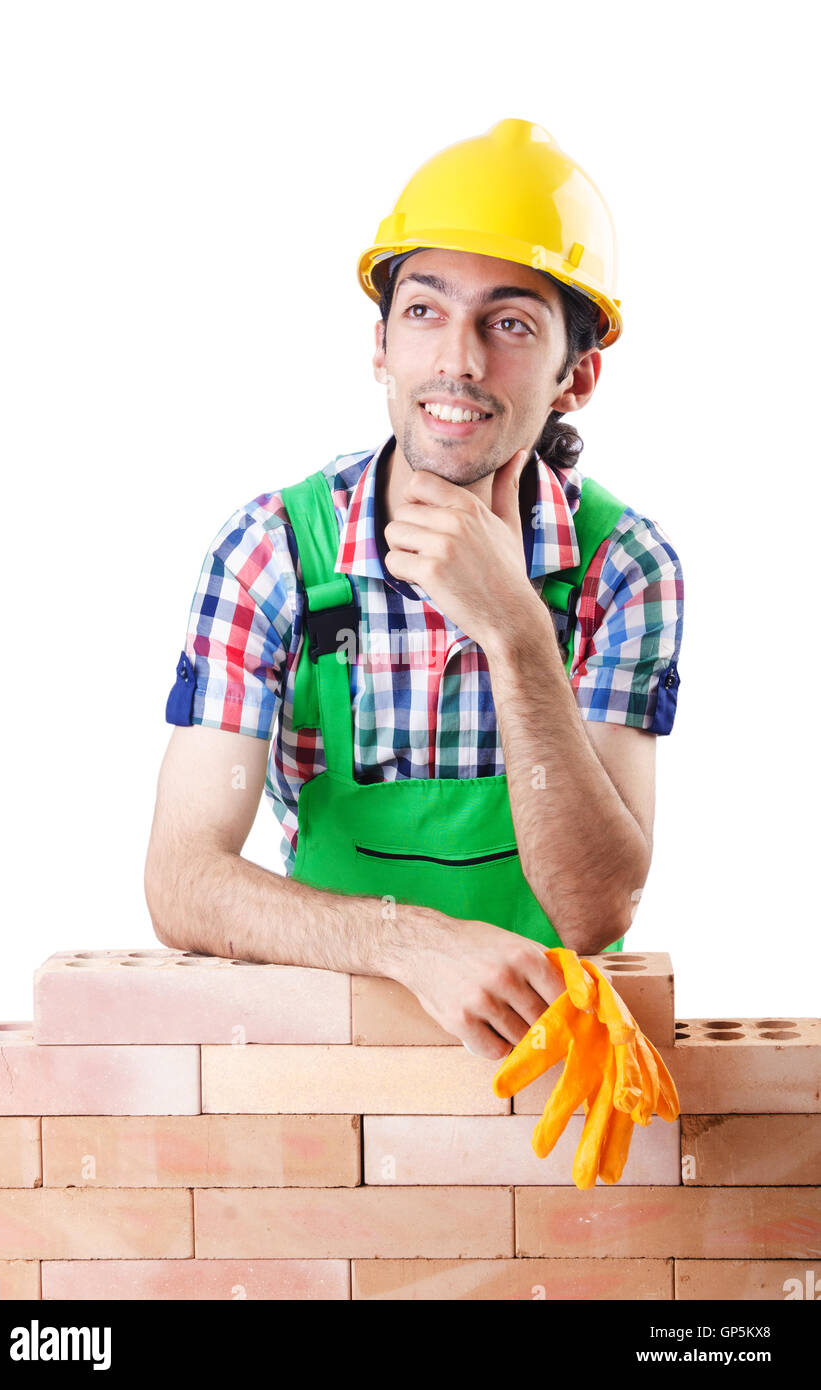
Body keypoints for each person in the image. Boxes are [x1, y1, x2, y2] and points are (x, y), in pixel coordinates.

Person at [145, 119, 684, 1060]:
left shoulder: (622, 567)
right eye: (425, 312)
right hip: (329, 1061)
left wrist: (516, 633)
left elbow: (594, 909)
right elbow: (183, 879)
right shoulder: (273, 552)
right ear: (382, 343)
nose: (458, 362)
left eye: (509, 323)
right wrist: (416, 945)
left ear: (578, 375)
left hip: (555, 1064)